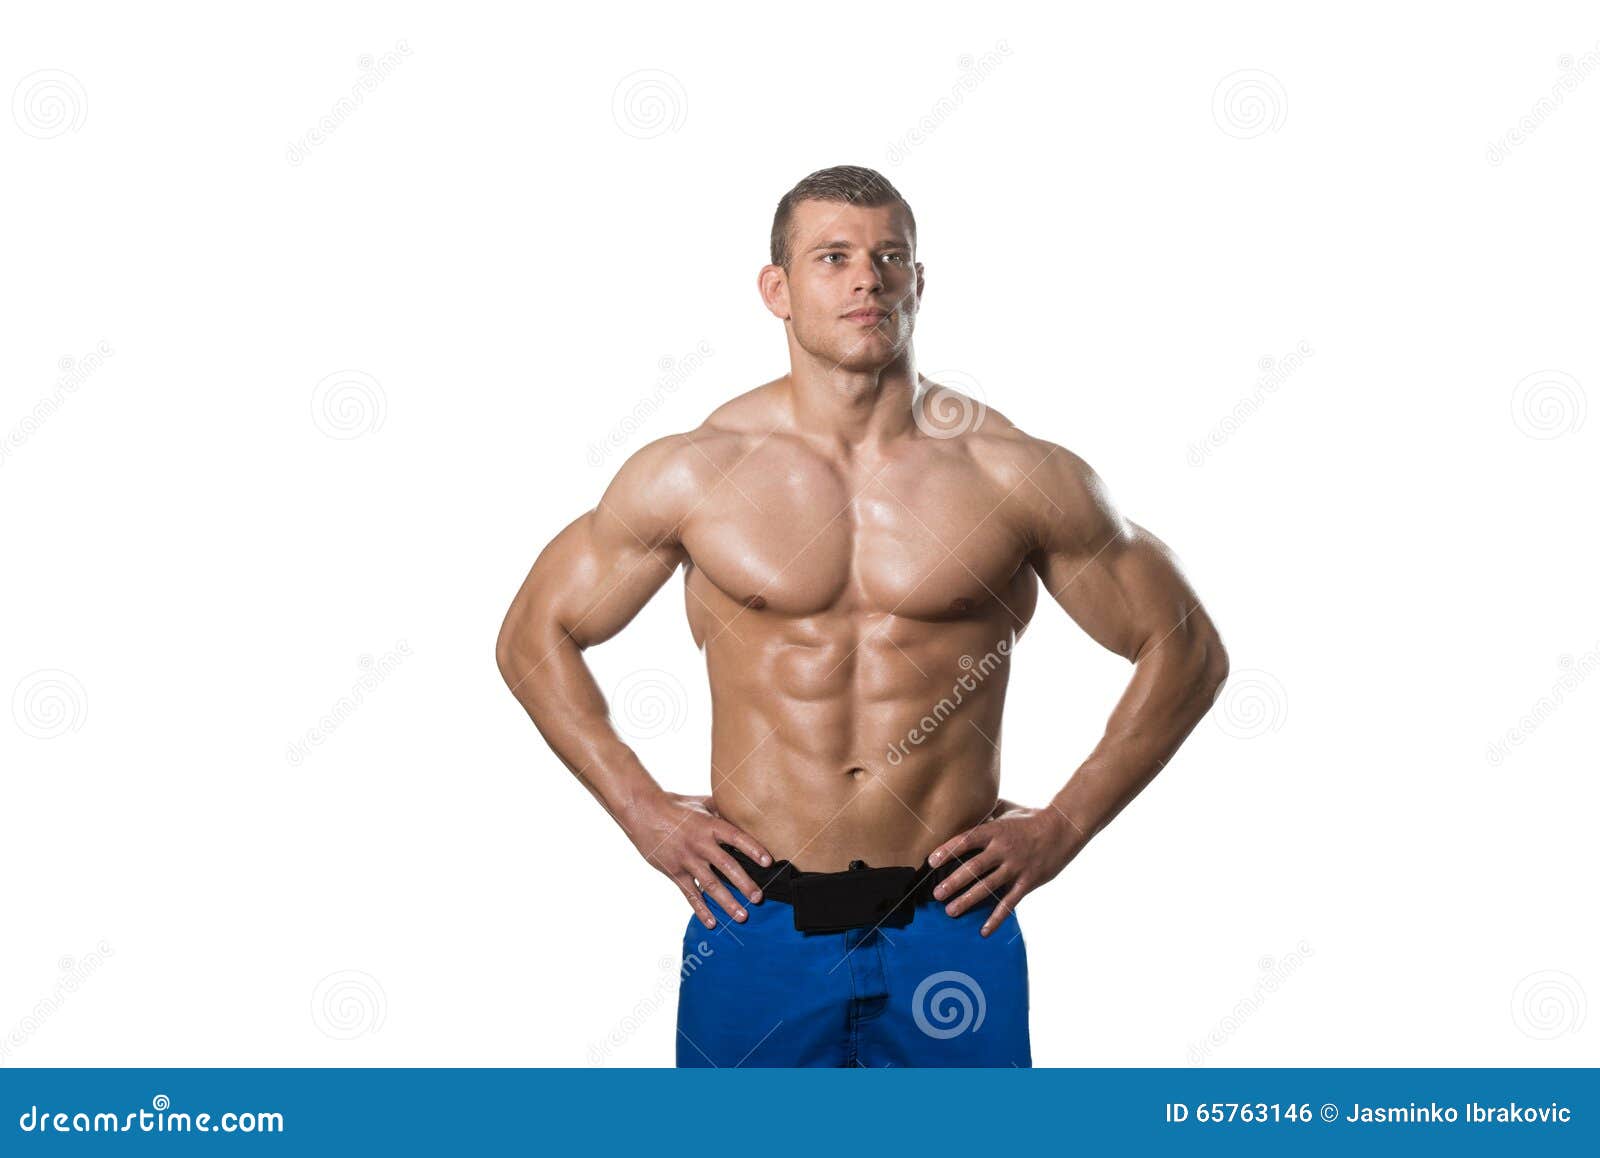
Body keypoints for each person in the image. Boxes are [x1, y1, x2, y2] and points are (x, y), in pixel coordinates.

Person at [495, 165, 1230, 1067]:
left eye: (890, 256)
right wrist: (643, 810)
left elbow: (1185, 648)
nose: (866, 279)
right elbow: (535, 635)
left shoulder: (1017, 473)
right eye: (832, 256)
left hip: (953, 921)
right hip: (754, 921)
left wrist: (1065, 825)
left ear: (919, 281)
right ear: (778, 290)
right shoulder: (695, 472)